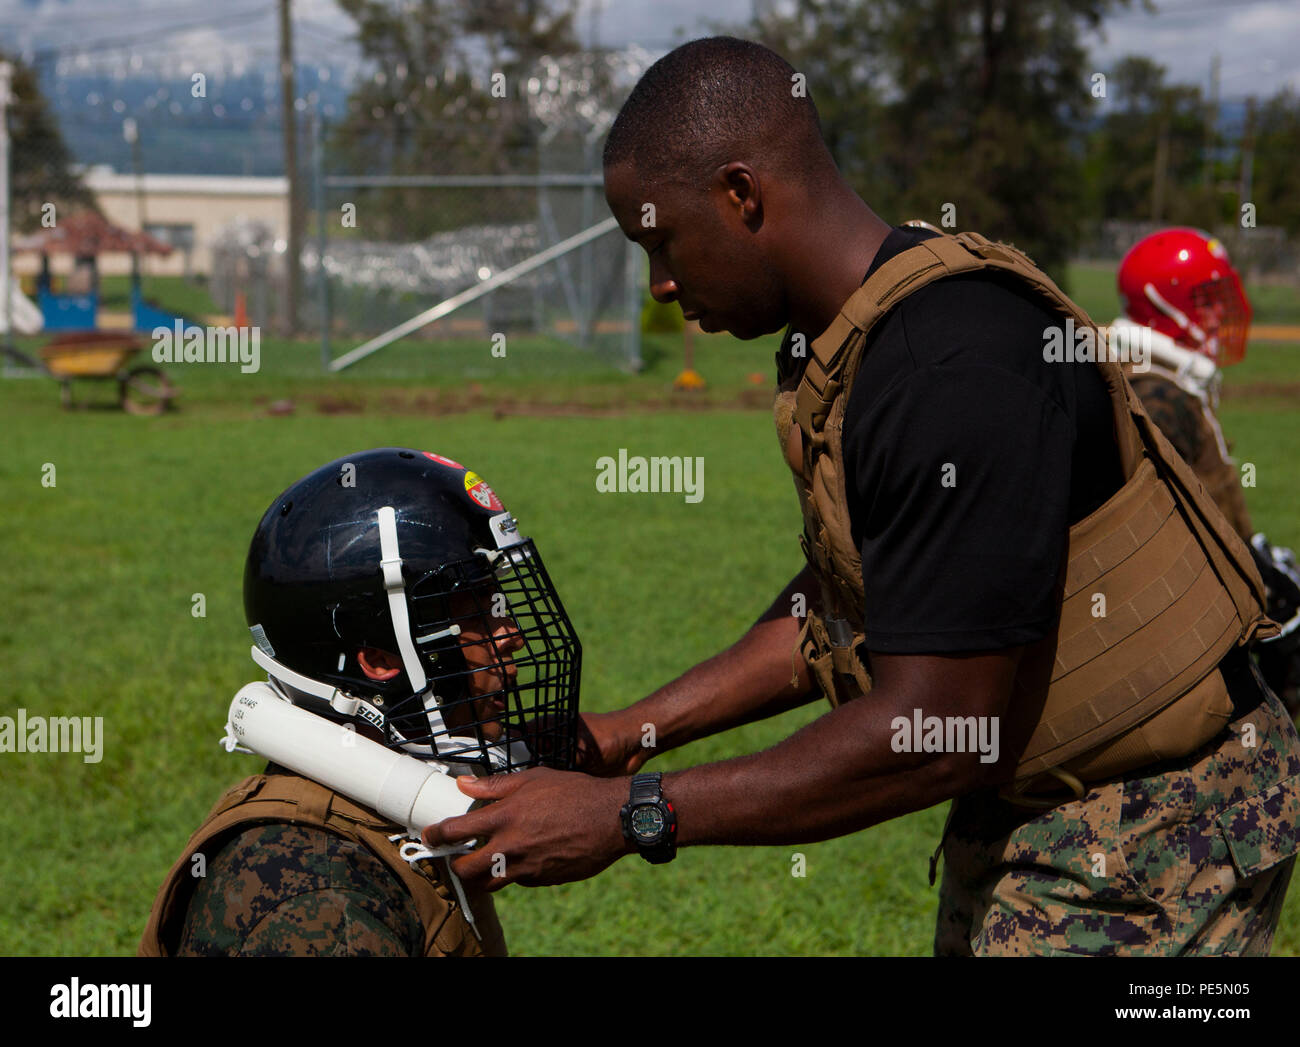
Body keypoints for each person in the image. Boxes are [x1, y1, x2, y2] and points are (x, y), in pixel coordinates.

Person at [422, 37, 1300, 956]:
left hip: (1162, 819)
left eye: (661, 241)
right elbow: (852, 596)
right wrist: (632, 730)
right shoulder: (853, 336)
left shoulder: (949, 365)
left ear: (742, 194)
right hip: (1048, 801)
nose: (662, 283)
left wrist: (632, 815)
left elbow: (941, 728)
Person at [138, 447, 582, 956]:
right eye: (476, 609)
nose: (512, 634)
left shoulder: (380, 815)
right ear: (379, 658)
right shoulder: (321, 901)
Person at [1107, 229, 1300, 712]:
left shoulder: (1162, 379)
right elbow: (1170, 525)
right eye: (1206, 299)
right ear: (1161, 304)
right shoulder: (1156, 393)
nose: (1221, 314)